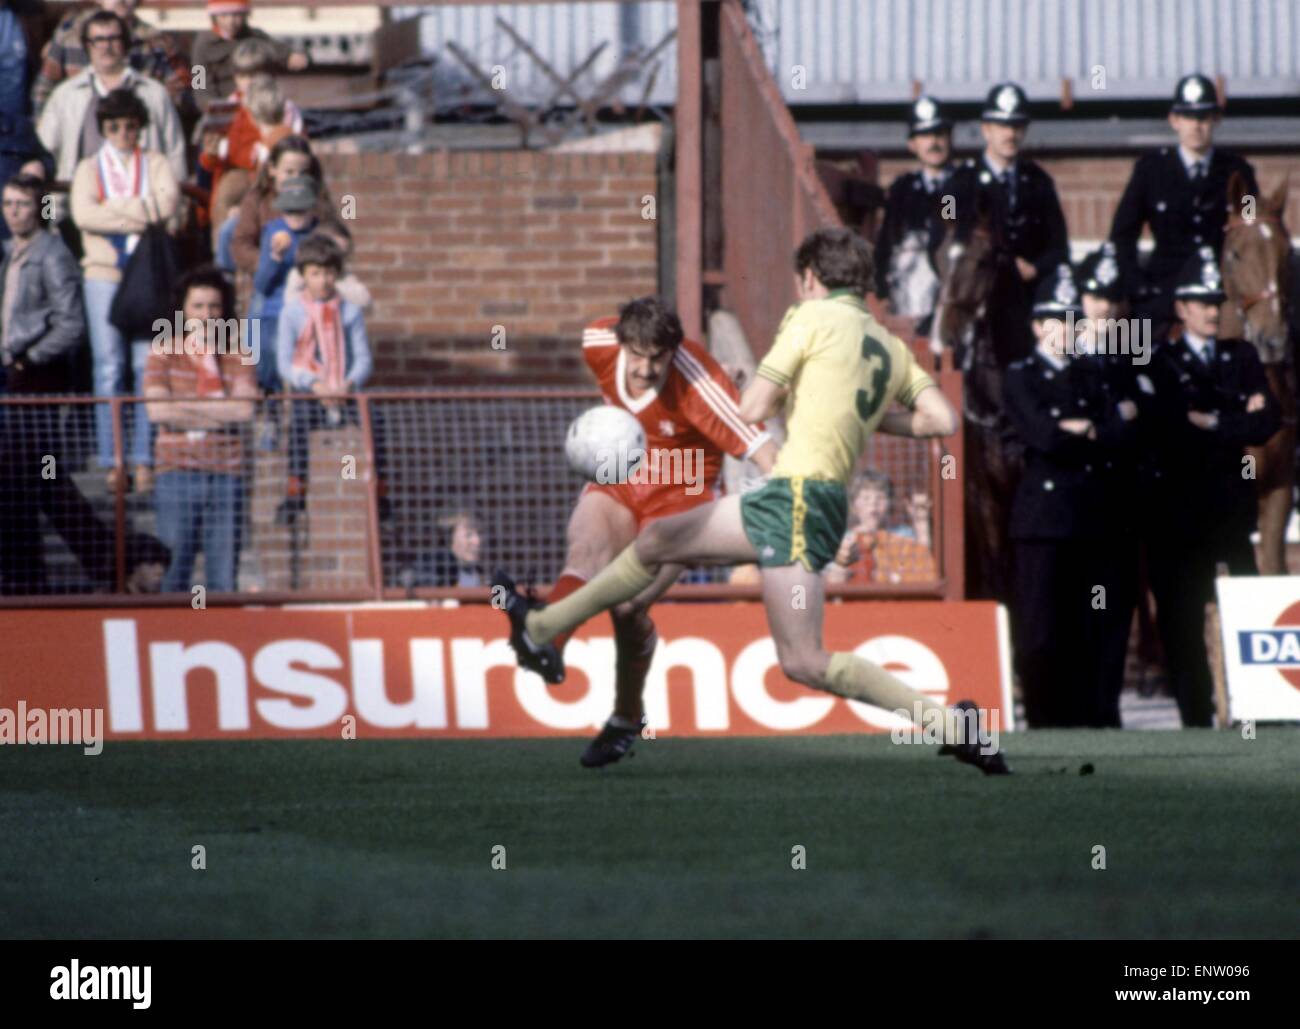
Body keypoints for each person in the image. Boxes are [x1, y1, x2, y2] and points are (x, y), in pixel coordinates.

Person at [495, 227, 1009, 774]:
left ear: (810, 278)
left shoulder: (807, 317)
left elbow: (757, 403)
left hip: (792, 496)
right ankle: (956, 727)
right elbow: (942, 420)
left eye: (800, 280)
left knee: (661, 544)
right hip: (824, 503)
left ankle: (542, 628)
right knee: (801, 660)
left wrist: (753, 388)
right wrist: (862, 415)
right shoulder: (888, 344)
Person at [526, 295, 778, 767]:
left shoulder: (701, 386)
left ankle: (625, 718)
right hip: (624, 476)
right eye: (636, 354)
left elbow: (766, 454)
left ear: (673, 352)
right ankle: (547, 644)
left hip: (683, 497)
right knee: (584, 551)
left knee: (628, 605)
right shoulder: (597, 342)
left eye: (657, 358)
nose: (644, 369)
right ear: (621, 343)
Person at [1145, 248, 1279, 727]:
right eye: (1199, 301)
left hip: (1230, 514)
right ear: (1181, 307)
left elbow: (1268, 421)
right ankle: (1197, 719)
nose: (1209, 309)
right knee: (1181, 624)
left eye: (1214, 301)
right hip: (1178, 519)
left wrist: (1216, 420)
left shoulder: (1239, 355)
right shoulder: (1160, 362)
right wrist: (1237, 416)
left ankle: (1257, 713)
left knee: (1247, 614)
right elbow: (1170, 428)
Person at [1003, 264, 1140, 728]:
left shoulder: (1093, 373)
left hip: (1095, 520)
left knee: (1094, 622)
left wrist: (1087, 429)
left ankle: (1095, 717)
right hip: (1044, 522)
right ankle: (1046, 720)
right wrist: (1092, 430)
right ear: (1038, 327)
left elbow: (1124, 433)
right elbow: (1043, 436)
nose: (1066, 331)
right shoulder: (1021, 377)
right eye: (1056, 322)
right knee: (1042, 628)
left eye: (1072, 322)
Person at [70, 87, 178, 492]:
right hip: (103, 274)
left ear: (140, 127)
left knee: (146, 366)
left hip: (148, 274)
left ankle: (145, 456)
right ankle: (113, 458)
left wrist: (111, 210)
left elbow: (167, 206)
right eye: (114, 127)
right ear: (104, 129)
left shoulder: (156, 162)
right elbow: (83, 214)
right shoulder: (88, 168)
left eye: (130, 126)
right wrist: (139, 208)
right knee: (109, 367)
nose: (122, 134)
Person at [1109, 74, 1259, 339]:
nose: (1196, 126)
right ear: (1174, 120)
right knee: (1134, 356)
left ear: (1216, 119)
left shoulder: (1239, 173)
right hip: (1164, 295)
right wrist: (1139, 288)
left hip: (1221, 294)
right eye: (1188, 117)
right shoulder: (1151, 171)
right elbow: (1122, 236)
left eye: (1203, 117)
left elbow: (1251, 230)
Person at [143, 266, 257, 593]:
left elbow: (245, 410)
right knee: (174, 573)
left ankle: (221, 641)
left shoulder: (239, 353)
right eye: (198, 307)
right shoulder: (163, 351)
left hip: (226, 474)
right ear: (182, 310)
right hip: (176, 471)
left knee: (223, 578)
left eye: (214, 307)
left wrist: (185, 409)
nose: (206, 315)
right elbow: (158, 411)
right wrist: (220, 413)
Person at [944, 82, 1069, 366]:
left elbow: (1059, 247)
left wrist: (1036, 267)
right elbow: (943, 236)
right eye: (1002, 126)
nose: (1010, 134)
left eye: (1017, 126)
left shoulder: (1039, 183)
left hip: (1023, 306)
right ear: (986, 129)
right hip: (974, 305)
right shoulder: (958, 184)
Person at [36, 8, 187, 215]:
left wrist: (177, 212)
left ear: (125, 44)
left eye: (113, 39)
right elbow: (45, 154)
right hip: (78, 209)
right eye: (98, 40)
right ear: (87, 47)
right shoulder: (65, 95)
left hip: (143, 209)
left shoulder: (154, 93)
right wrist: (48, 216)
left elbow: (175, 153)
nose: (106, 47)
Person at [274, 232, 371, 524]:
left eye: (329, 273)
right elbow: (284, 363)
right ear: (304, 276)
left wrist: (347, 384)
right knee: (299, 423)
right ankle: (295, 493)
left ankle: (380, 494)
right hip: (312, 388)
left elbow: (364, 357)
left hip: (343, 387)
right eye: (315, 273)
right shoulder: (292, 313)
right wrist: (314, 384)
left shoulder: (350, 311)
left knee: (375, 420)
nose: (323, 281)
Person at [873, 95, 953, 329]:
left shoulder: (960, 185)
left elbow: (951, 222)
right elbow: (886, 243)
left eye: (940, 134)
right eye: (926, 136)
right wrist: (881, 291)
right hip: (908, 291)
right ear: (912, 144)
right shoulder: (903, 189)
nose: (934, 142)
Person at [31, 0, 191, 116]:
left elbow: (191, 84)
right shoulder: (70, 34)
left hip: (133, 133)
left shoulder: (156, 41)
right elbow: (44, 88)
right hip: (79, 130)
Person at [254, 173, 322, 411]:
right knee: (265, 347)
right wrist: (275, 257)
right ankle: (270, 408)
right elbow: (261, 285)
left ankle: (306, 415)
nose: (294, 218)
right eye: (289, 211)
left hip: (309, 311)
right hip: (276, 309)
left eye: (300, 211)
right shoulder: (274, 231)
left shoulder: (319, 234)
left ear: (312, 208)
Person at [231, 134, 330, 277]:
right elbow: (241, 244)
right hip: (272, 282)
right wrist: (270, 262)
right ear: (272, 169)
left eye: (303, 173)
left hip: (313, 279)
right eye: (289, 172)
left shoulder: (318, 200)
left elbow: (336, 232)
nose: (296, 179)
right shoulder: (257, 199)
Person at [191, 1, 308, 113]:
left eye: (236, 15)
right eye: (224, 15)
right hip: (224, 107)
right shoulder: (203, 44)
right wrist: (211, 106)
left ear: (245, 15)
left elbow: (281, 51)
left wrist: (293, 56)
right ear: (214, 16)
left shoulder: (255, 37)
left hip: (260, 105)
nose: (231, 21)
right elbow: (198, 84)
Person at [823, 469, 936, 585]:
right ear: (854, 504)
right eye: (866, 498)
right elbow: (831, 577)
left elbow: (923, 559)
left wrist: (921, 521)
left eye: (880, 497)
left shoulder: (902, 533)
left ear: (890, 502)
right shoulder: (844, 538)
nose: (873, 503)